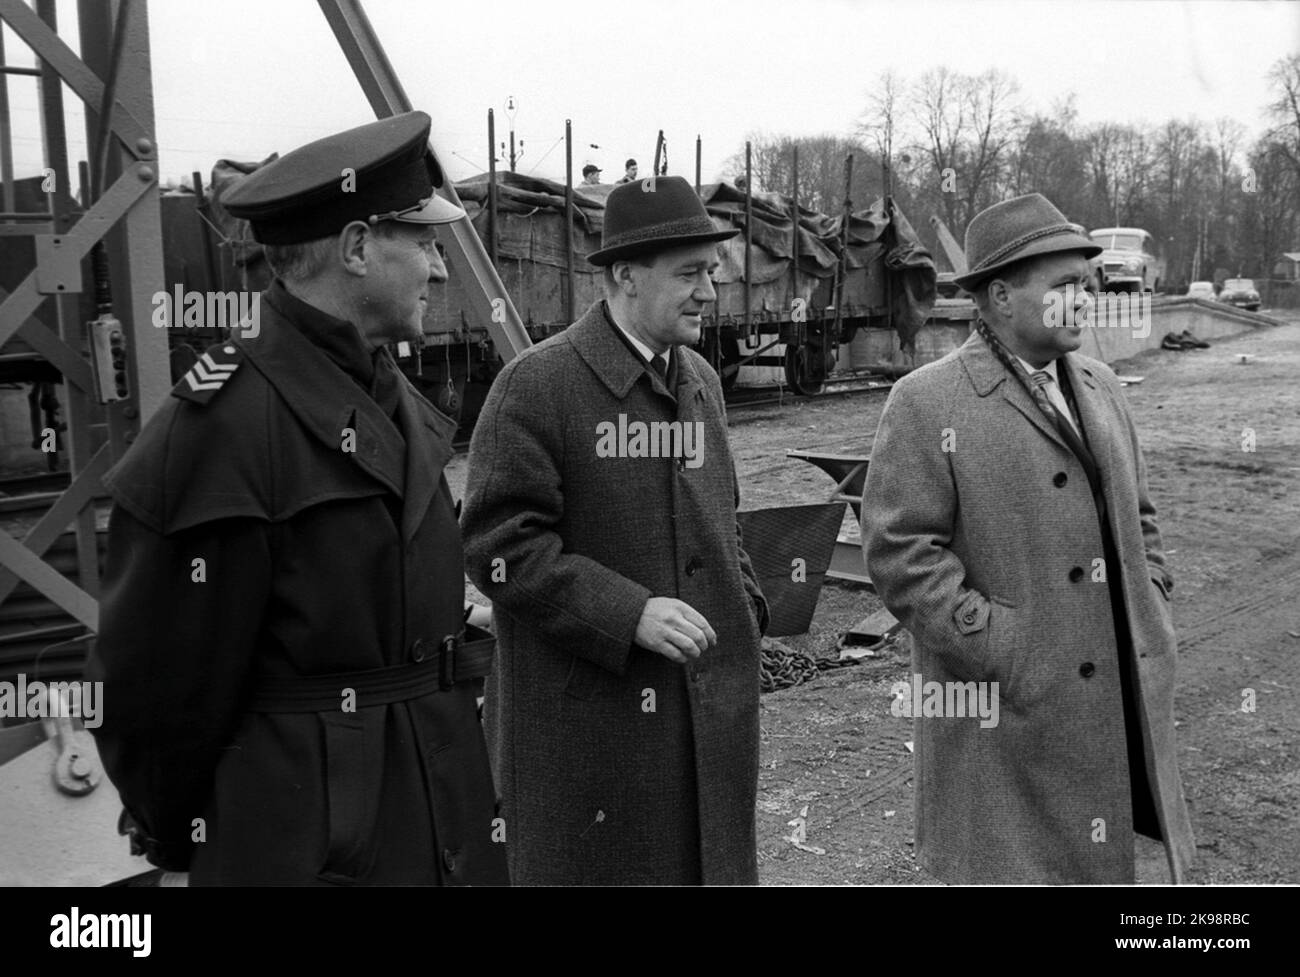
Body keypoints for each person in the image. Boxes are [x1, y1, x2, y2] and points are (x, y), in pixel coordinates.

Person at [84, 111, 509, 886]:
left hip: (436, 815)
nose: (440, 270)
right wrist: (195, 840)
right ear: (353, 248)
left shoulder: (388, 396)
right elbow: (154, 690)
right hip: (306, 843)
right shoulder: (218, 427)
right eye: (422, 242)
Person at [862, 192, 1195, 885]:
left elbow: (1144, 514)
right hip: (1001, 729)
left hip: (1103, 717)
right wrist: (1001, 646)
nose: (1085, 300)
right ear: (1001, 296)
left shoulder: (1102, 387)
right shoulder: (927, 402)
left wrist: (1149, 597)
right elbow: (900, 553)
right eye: (1066, 286)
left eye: (1087, 284)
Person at [461, 175, 768, 885]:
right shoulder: (537, 386)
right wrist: (628, 612)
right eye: (689, 274)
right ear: (625, 276)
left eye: (711, 273)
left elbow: (725, 520)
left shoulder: (700, 381)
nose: (709, 292)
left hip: (705, 725)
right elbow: (497, 549)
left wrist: (744, 608)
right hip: (593, 741)